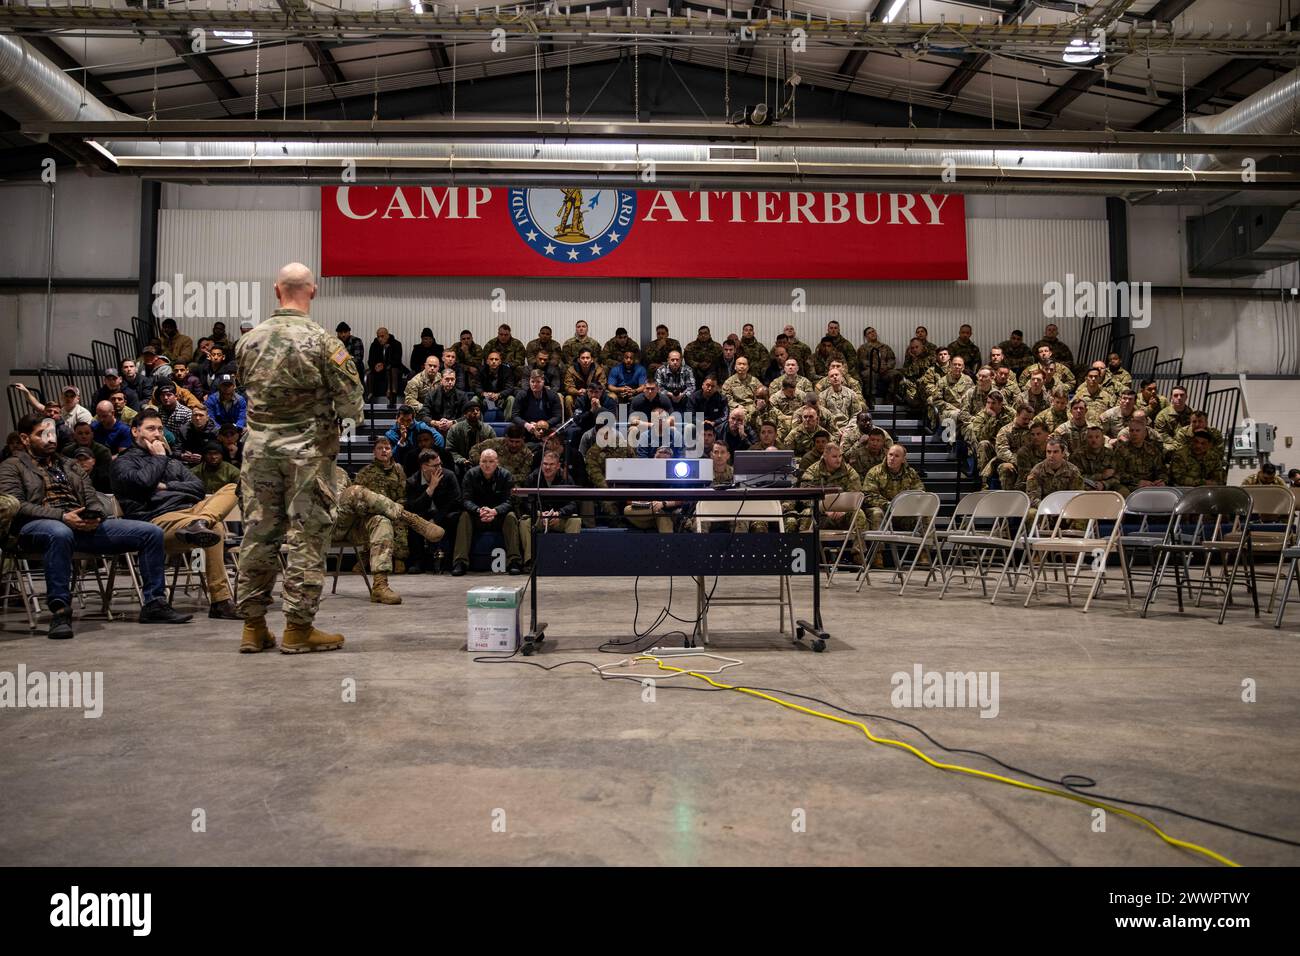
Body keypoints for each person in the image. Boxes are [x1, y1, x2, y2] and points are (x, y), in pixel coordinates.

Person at [234, 262, 364, 655]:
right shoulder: (325, 343)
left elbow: (245, 390)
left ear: (277, 291)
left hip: (258, 455)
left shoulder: (248, 341)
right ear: (314, 291)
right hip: (308, 457)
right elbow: (351, 403)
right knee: (306, 537)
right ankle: (297, 628)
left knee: (258, 533)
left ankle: (253, 628)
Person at [0, 413, 193, 639]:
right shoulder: (11, 466)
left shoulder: (69, 464)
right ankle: (61, 611)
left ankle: (155, 604)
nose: (51, 439)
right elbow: (18, 506)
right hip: (36, 527)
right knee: (60, 532)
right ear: (25, 438)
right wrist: (62, 516)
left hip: (82, 525)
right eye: (43, 434)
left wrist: (95, 516)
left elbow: (91, 497)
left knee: (151, 532)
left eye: (52, 434)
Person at [110, 409, 240, 619]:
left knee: (233, 487)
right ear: (135, 431)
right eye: (151, 429)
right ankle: (221, 600)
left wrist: (165, 486)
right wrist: (159, 459)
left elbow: (198, 488)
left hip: (190, 515)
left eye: (160, 429)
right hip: (157, 521)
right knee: (215, 528)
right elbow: (144, 482)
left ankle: (201, 522)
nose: (157, 433)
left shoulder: (172, 462)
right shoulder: (123, 462)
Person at [332, 464, 444, 604]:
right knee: (354, 491)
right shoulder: (303, 472)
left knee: (381, 520)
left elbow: (352, 505)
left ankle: (380, 585)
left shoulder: (339, 472)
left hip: (349, 526)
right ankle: (408, 517)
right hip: (324, 529)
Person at [452, 448, 523, 576]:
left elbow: (510, 501)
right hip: (477, 516)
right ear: (479, 462)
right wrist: (479, 510)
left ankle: (514, 561)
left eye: (491, 461)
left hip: (498, 517)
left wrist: (495, 511)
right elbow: (465, 500)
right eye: (484, 461)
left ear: (497, 462)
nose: (487, 464)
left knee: (511, 516)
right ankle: (460, 562)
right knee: (464, 516)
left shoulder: (506, 475)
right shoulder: (470, 475)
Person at [405, 450, 463, 573]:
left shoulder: (449, 476)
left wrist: (436, 519)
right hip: (423, 515)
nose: (440, 468)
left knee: (455, 517)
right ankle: (417, 562)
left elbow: (456, 501)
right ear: (424, 467)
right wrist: (430, 488)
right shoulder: (412, 481)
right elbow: (413, 507)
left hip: (443, 514)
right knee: (413, 520)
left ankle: (453, 561)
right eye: (436, 465)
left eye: (440, 464)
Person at [861, 443, 926, 530]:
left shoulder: (911, 473)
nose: (892, 458)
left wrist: (906, 505)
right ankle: (878, 543)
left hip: (904, 512)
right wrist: (889, 505)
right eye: (890, 455)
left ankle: (928, 543)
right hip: (883, 511)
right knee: (876, 513)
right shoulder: (875, 472)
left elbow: (920, 492)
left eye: (896, 456)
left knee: (925, 513)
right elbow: (868, 495)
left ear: (903, 459)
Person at [1025, 436, 1083, 508]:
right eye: (1048, 452)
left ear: (1063, 453)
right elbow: (1032, 497)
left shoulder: (1073, 470)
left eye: (1055, 452)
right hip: (1043, 508)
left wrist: (1062, 508)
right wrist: (1048, 507)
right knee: (1031, 514)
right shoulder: (1037, 470)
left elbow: (1077, 496)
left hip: (1066, 508)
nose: (1051, 455)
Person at [60, 421, 113, 493]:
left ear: (92, 435)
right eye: (80, 433)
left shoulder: (103, 452)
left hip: (99, 487)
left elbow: (105, 476)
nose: (84, 436)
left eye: (87, 433)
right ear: (74, 435)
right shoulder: (67, 451)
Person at [513, 368, 562, 440]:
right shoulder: (522, 395)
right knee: (511, 427)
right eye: (532, 382)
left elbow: (558, 416)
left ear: (543, 382)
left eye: (538, 382)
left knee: (559, 429)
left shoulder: (553, 395)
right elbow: (515, 415)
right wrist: (526, 425)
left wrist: (544, 424)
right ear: (529, 381)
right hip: (528, 427)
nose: (535, 384)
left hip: (546, 426)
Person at [366, 326, 406, 405]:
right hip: (378, 371)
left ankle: (392, 392)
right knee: (369, 373)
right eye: (378, 337)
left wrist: (384, 365)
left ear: (387, 335)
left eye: (382, 336)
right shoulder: (374, 345)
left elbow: (397, 360)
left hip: (394, 369)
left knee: (392, 370)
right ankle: (370, 396)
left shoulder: (396, 344)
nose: (380, 339)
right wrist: (375, 366)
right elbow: (370, 361)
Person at [476, 349, 518, 421]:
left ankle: (508, 424)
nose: (494, 361)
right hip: (486, 398)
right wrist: (484, 394)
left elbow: (510, 388)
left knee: (511, 399)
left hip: (501, 398)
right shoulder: (481, 371)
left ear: (500, 362)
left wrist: (499, 395)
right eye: (491, 359)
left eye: (496, 359)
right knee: (475, 399)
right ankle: (478, 423)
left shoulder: (507, 371)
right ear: (487, 361)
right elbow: (476, 387)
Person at [655, 349, 695, 414]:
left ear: (681, 360)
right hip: (666, 397)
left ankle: (688, 419)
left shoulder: (688, 370)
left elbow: (692, 387)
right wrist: (670, 395)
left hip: (683, 397)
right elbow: (658, 387)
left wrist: (682, 395)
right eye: (672, 360)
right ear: (668, 360)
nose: (675, 362)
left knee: (692, 397)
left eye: (677, 360)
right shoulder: (660, 370)